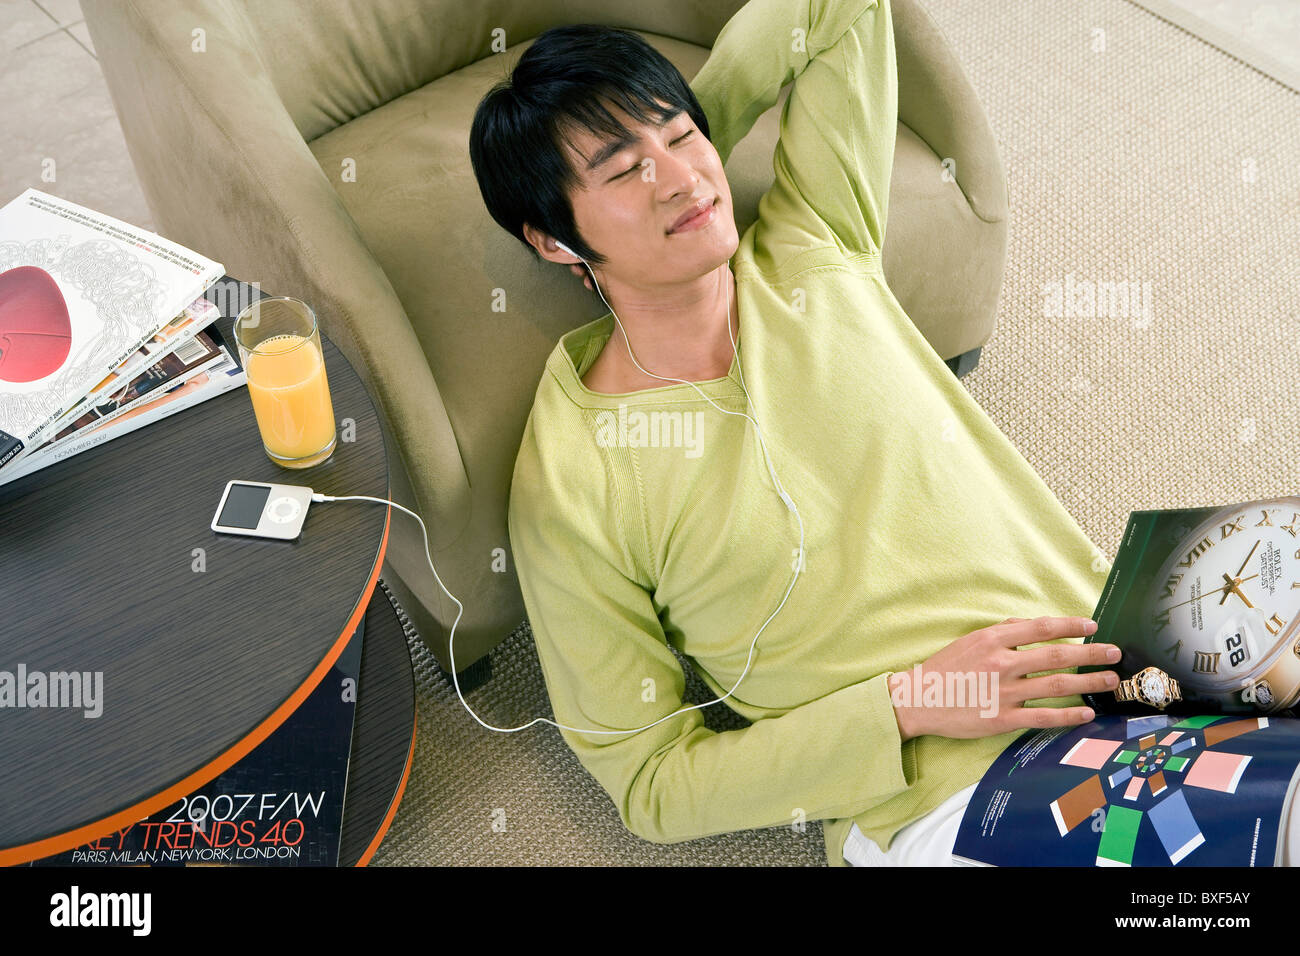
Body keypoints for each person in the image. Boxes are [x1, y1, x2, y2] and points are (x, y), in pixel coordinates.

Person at [469, 0, 1123, 867]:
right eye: (622, 172)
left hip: (1131, 670)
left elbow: (837, 7)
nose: (681, 179)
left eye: (681, 136)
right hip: (946, 803)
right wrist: (910, 703)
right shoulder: (572, 479)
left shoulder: (814, 243)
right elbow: (651, 784)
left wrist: (692, 133)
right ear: (554, 242)